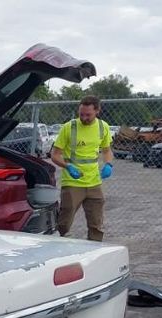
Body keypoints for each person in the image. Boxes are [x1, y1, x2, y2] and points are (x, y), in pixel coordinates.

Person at [50, 95, 114, 241]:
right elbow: (55, 155)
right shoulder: (69, 128)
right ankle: (57, 247)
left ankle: (95, 251)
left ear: (97, 111)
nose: (84, 117)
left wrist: (108, 164)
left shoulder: (102, 127)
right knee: (64, 223)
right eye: (81, 114)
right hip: (73, 183)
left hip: (94, 183)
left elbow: (106, 150)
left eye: (88, 115)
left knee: (96, 224)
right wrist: (67, 166)